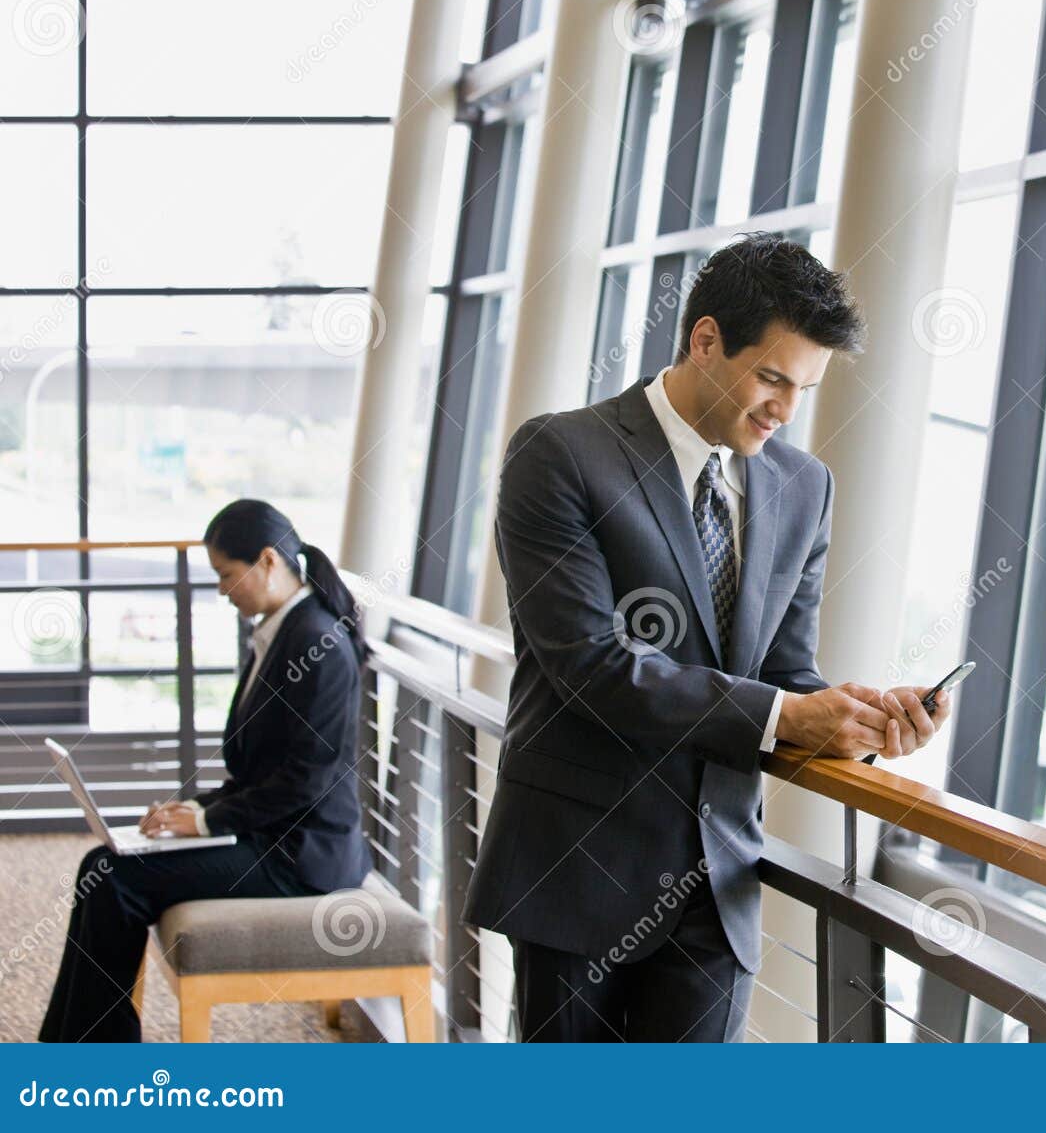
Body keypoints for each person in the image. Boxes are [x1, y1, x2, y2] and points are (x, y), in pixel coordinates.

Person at [463, 233, 953, 1042]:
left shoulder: (803, 488)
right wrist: (787, 719)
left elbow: (786, 674)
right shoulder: (562, 453)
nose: (785, 410)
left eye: (804, 388)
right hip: (577, 865)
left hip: (718, 884)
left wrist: (862, 718)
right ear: (704, 340)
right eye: (771, 377)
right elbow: (590, 664)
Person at [39, 499, 372, 1042]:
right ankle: (72, 1052)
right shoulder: (280, 632)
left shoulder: (318, 642)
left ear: (267, 560)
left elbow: (304, 781)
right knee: (102, 866)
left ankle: (90, 1058)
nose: (221, 590)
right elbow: (260, 772)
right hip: (268, 835)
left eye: (226, 575)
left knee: (115, 881)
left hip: (300, 858)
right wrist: (194, 810)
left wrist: (205, 824)